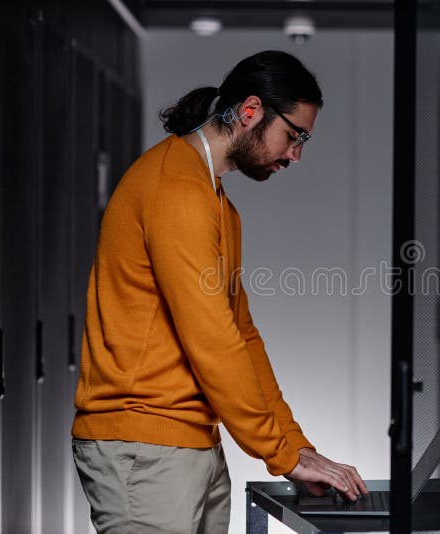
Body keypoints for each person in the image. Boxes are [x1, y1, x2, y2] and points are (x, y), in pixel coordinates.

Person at [71, 50, 368, 534]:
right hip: (143, 446)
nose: (295, 155)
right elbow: (212, 340)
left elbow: (241, 336)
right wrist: (282, 454)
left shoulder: (217, 203)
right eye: (293, 136)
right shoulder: (176, 188)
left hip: (192, 444)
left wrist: (296, 446)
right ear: (250, 112)